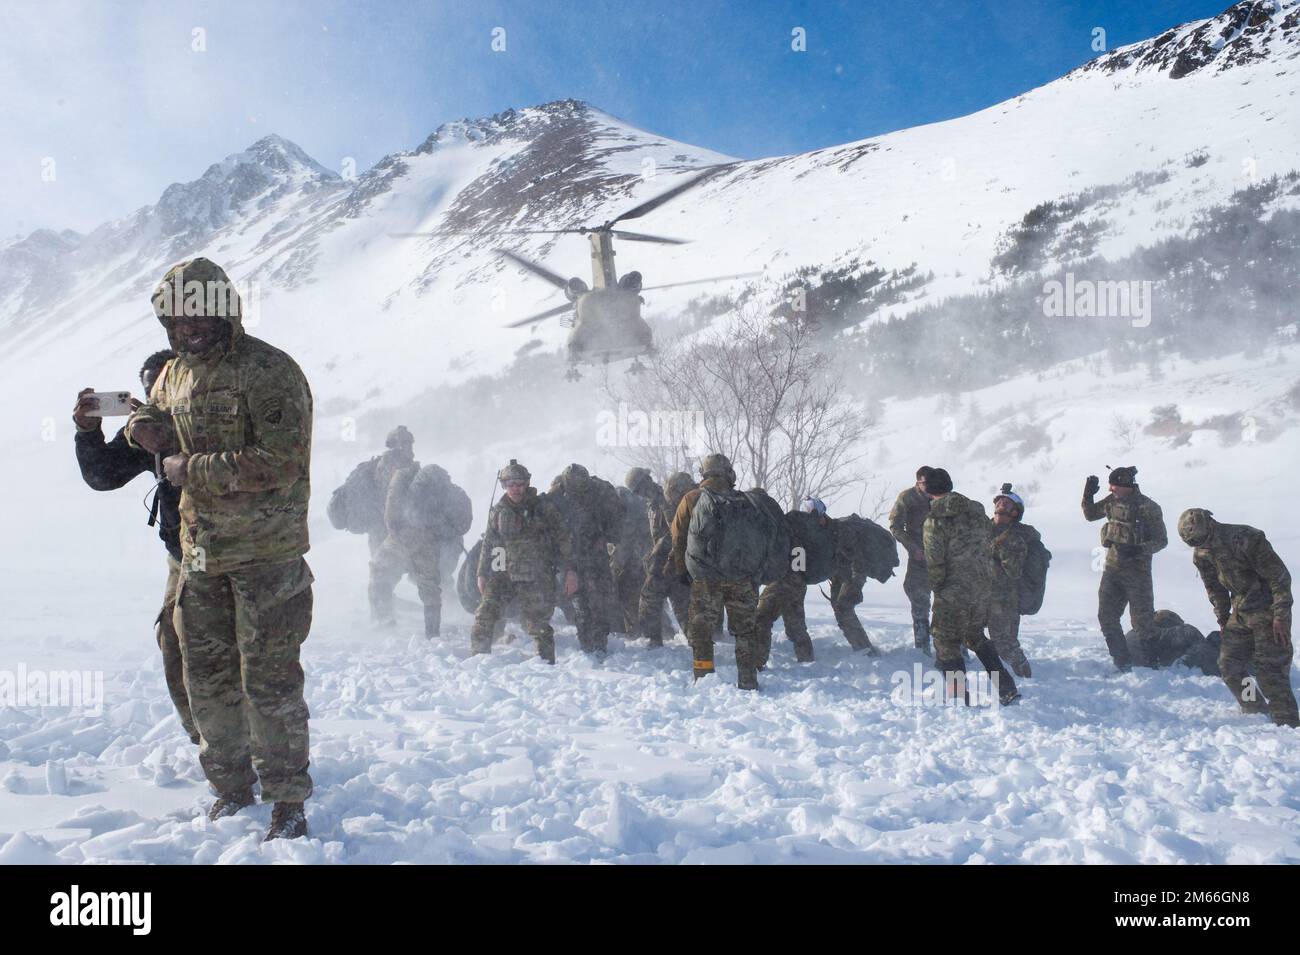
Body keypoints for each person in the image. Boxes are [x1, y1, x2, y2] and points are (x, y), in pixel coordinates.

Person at [126, 257, 314, 841]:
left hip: (266, 557)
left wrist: (192, 468)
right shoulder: (174, 374)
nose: (191, 324)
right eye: (178, 315)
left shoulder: (269, 370)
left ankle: (287, 799)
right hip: (200, 554)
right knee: (206, 677)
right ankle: (231, 787)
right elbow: (154, 417)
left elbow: (284, 462)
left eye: (201, 310)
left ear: (225, 308)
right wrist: (140, 428)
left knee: (270, 681)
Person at [73, 350, 198, 744]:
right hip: (182, 555)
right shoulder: (147, 431)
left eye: (163, 386)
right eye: (150, 389)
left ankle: (250, 744)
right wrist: (88, 432)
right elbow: (103, 475)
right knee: (174, 642)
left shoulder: (209, 419)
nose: (156, 395)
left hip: (235, 549)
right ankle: (208, 741)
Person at [1178, 508, 1297, 727]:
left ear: (1211, 525)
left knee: (1270, 672)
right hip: (1240, 612)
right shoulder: (1202, 553)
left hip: (1268, 610)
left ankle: (1288, 724)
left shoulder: (1246, 539)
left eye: (1201, 539)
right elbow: (1214, 587)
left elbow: (1279, 578)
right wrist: (1223, 618)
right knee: (1229, 665)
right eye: (1194, 542)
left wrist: (1280, 616)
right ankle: (1255, 708)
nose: (1199, 545)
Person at [922, 468, 1019, 705]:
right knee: (974, 635)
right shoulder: (976, 510)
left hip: (953, 590)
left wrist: (936, 587)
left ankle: (958, 697)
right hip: (982, 585)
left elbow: (935, 560)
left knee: (946, 643)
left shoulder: (935, 520)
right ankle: (1006, 688)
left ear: (928, 491)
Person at [671, 453, 763, 690]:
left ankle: (703, 678)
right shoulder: (744, 500)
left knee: (701, 631)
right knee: (745, 632)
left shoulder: (691, 498)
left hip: (706, 579)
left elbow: (678, 538)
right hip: (741, 578)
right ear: (728, 472)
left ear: (704, 473)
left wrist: (683, 571)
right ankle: (748, 680)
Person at [472, 460, 577, 661]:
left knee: (539, 626)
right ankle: (478, 662)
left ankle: (547, 666)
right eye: (510, 484)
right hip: (503, 576)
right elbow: (488, 544)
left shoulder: (544, 509)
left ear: (527, 483)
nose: (515, 489)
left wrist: (570, 571)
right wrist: (481, 573)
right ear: (503, 485)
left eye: (519, 483)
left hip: (536, 577)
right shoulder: (499, 511)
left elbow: (563, 541)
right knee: (484, 616)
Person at [1082, 466, 1167, 671]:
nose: (1111, 489)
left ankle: (1151, 665)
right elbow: (1090, 514)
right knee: (1107, 617)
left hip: (1138, 573)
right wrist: (1088, 495)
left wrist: (1138, 550)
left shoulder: (1148, 507)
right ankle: (1122, 662)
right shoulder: (1112, 503)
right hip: (1112, 570)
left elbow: (1161, 540)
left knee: (1143, 622)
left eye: (1114, 485)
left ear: (1126, 485)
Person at [548, 464, 622, 655]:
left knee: (599, 599)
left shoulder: (601, 492)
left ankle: (598, 642)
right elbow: (552, 527)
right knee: (580, 601)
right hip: (570, 554)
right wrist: (568, 566)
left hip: (595, 553)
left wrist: (605, 538)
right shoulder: (558, 495)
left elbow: (615, 523)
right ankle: (588, 644)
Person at [636, 470, 694, 646]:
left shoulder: (665, 501)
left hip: (670, 561)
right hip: (667, 561)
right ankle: (694, 640)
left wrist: (660, 556)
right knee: (680, 604)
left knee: (653, 598)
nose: (640, 493)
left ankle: (655, 640)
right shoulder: (652, 505)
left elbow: (674, 533)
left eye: (640, 488)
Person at [890, 466, 936, 654]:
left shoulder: (942, 496)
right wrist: (913, 548)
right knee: (919, 602)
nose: (930, 486)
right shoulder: (907, 497)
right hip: (919, 559)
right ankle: (922, 648)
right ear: (918, 482)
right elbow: (896, 526)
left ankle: (956, 650)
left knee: (949, 607)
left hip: (945, 559)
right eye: (925, 483)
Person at [988, 487, 1032, 678]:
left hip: (1004, 599)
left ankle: (1025, 676)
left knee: (1005, 643)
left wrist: (1000, 548)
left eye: (1007, 503)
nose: (1001, 504)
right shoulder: (982, 529)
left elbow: (1014, 572)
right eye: (999, 501)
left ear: (1015, 512)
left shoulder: (1015, 539)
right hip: (978, 593)